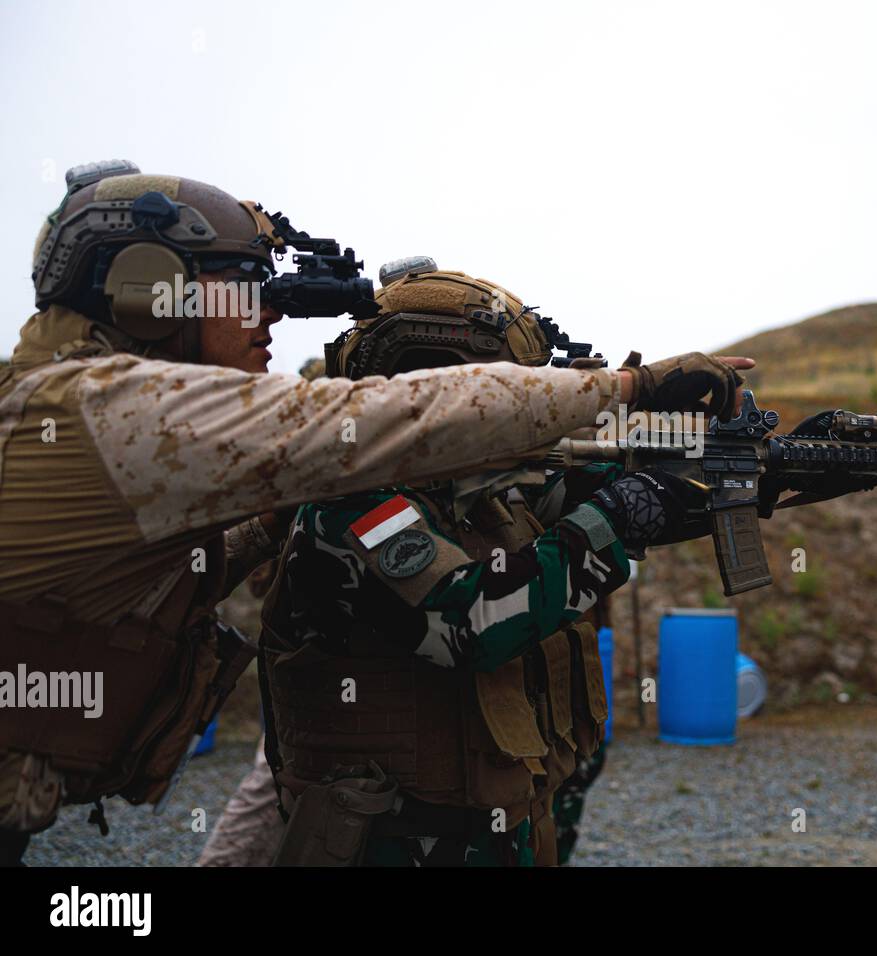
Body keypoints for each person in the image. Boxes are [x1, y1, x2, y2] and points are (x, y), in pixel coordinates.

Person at [0, 163, 747, 865]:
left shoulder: (78, 408)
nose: (268, 315)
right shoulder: (106, 408)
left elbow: (187, 572)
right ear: (150, 292)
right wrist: (627, 389)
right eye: (245, 288)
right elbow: (402, 420)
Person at [259, 259, 735, 865]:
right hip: (387, 842)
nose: (522, 409)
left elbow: (631, 500)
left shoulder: (478, 495)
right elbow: (466, 621)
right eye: (503, 393)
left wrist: (748, 477)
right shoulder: (352, 504)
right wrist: (619, 514)